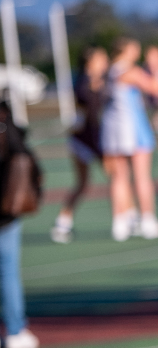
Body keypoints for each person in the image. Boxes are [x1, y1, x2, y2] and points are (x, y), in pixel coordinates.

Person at [102, 37, 158, 242]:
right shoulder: (129, 71)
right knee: (141, 176)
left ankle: (120, 222)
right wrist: (157, 66)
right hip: (132, 128)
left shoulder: (109, 71)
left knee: (119, 176)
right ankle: (147, 220)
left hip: (113, 128)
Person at [50, 47, 108, 244]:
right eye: (101, 58)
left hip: (92, 137)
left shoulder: (102, 81)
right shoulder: (83, 82)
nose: (104, 61)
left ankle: (128, 216)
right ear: (90, 61)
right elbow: (87, 111)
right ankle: (63, 222)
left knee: (114, 178)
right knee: (109, 179)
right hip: (87, 139)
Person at [0, 101, 40, 348]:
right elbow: (23, 156)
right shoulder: (4, 122)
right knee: (7, 270)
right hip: (3, 211)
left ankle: (15, 330)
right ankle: (15, 330)